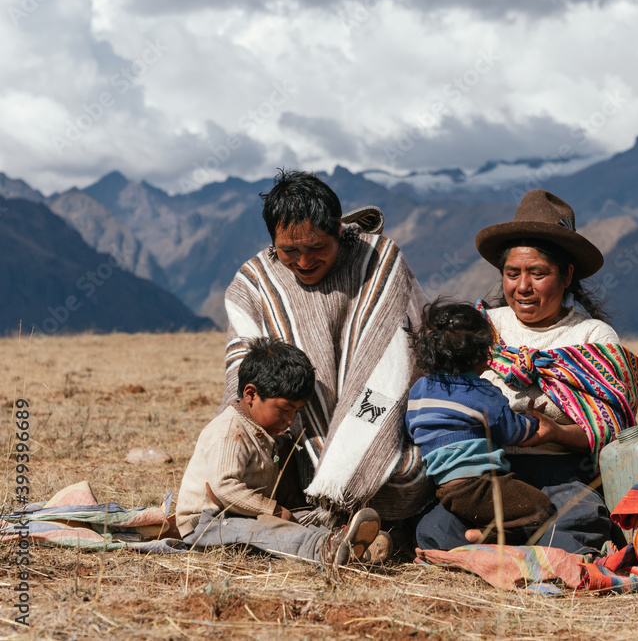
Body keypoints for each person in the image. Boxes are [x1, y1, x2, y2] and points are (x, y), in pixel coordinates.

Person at [415, 189, 638, 555]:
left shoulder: (593, 338)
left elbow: (611, 427)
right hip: (487, 473)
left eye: (538, 273)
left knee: (579, 519)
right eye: (512, 273)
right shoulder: (482, 328)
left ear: (567, 275)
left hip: (561, 470)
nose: (522, 287)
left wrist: (557, 432)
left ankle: (493, 548)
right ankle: (516, 548)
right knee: (434, 531)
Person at [222, 170, 432, 538]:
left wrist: (349, 454)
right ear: (273, 241)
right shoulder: (255, 283)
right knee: (255, 478)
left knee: (405, 473)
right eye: (289, 251)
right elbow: (244, 377)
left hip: (382, 429)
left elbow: (394, 360)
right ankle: (348, 529)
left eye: (317, 248)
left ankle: (343, 516)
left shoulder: (378, 261)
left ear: (339, 230)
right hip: (295, 436)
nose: (304, 262)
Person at [178, 337, 384, 564]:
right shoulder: (229, 431)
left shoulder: (261, 432)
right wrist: (273, 510)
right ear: (251, 394)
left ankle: (351, 544)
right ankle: (325, 550)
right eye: (285, 410)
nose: (290, 420)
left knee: (303, 519)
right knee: (270, 530)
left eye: (296, 411)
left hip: (244, 515)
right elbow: (224, 488)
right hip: (208, 523)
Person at [405, 300, 562, 544]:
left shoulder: (419, 390)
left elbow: (413, 427)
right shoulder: (483, 393)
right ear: (482, 355)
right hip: (479, 486)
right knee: (541, 508)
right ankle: (489, 536)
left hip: (444, 489)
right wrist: (533, 421)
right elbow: (512, 433)